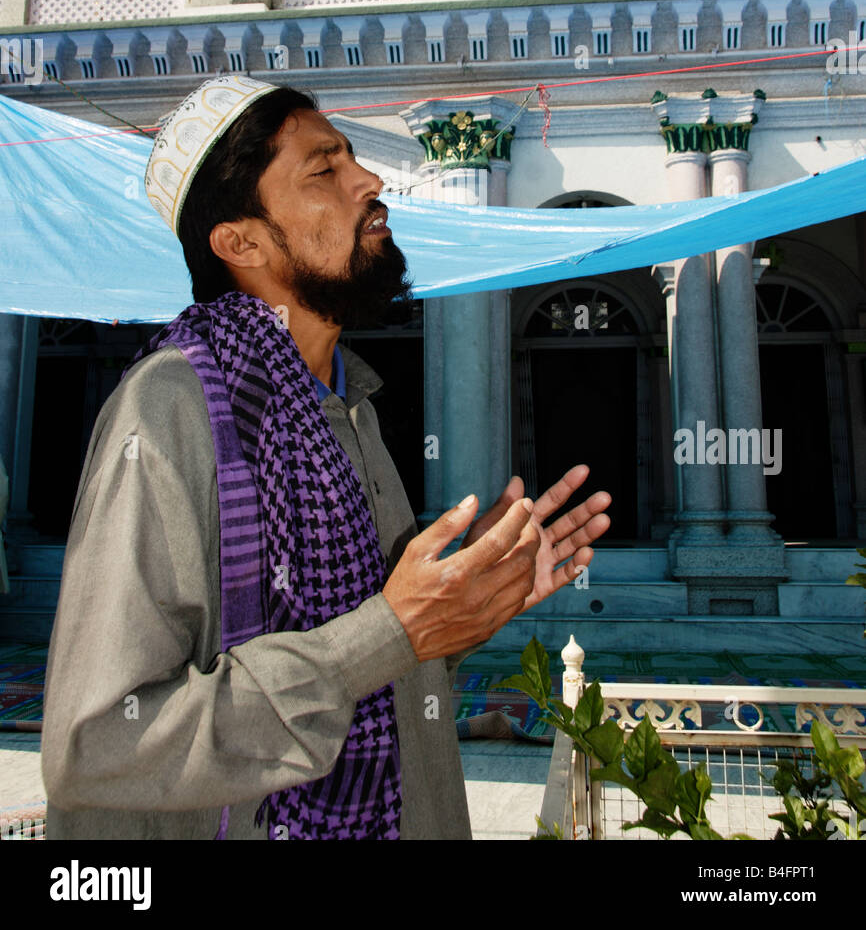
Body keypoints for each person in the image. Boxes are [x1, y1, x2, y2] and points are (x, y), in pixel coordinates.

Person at [41, 75, 611, 840]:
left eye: (353, 161)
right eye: (324, 170)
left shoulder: (348, 410)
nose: (371, 181)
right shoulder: (171, 411)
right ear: (240, 242)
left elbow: (378, 654)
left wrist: (459, 605)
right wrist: (392, 630)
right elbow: (97, 747)